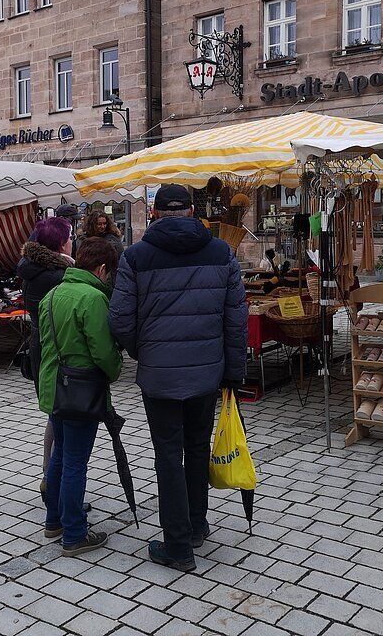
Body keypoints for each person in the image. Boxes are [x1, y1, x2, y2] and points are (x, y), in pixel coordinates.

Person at [109, 184, 248, 572]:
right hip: (207, 373)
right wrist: (233, 374)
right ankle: (198, 524)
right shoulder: (221, 252)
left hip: (160, 377)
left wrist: (145, 351)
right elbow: (236, 319)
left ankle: (178, 544)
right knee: (198, 447)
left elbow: (119, 318)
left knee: (168, 455)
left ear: (154, 213)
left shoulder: (135, 257)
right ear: (191, 212)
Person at [38, 237, 122, 557]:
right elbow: (103, 351)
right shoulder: (92, 298)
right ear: (101, 268)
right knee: (75, 462)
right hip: (80, 391)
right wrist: (115, 370)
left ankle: (54, 520)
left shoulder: (52, 293)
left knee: (60, 456)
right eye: (109, 273)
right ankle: (74, 533)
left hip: (53, 389)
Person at [17, 217, 73, 503]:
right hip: (59, 348)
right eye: (69, 236)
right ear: (60, 244)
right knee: (63, 417)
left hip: (41, 345)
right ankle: (55, 482)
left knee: (54, 414)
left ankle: (47, 471)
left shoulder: (32, 268)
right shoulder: (59, 275)